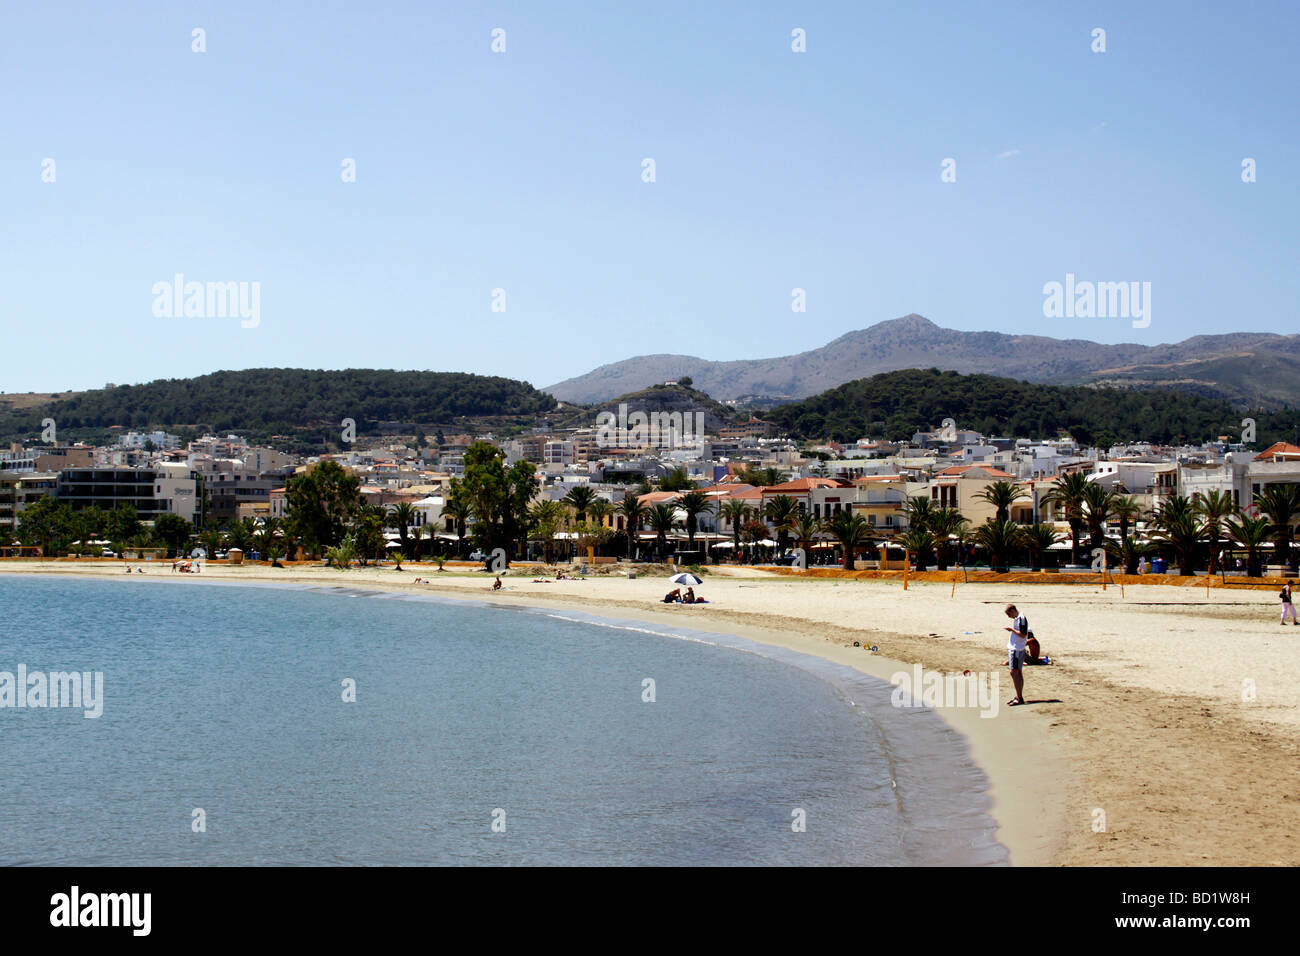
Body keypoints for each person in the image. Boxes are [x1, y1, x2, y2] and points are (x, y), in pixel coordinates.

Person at [1003, 604, 1028, 706]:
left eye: (1009, 614)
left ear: (1013, 610)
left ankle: (1019, 697)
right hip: (1016, 648)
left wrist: (1012, 630)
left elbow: (1023, 634)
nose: (1009, 617)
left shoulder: (1021, 618)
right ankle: (1019, 696)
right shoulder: (1017, 618)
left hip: (1017, 649)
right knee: (1018, 672)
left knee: (1014, 672)